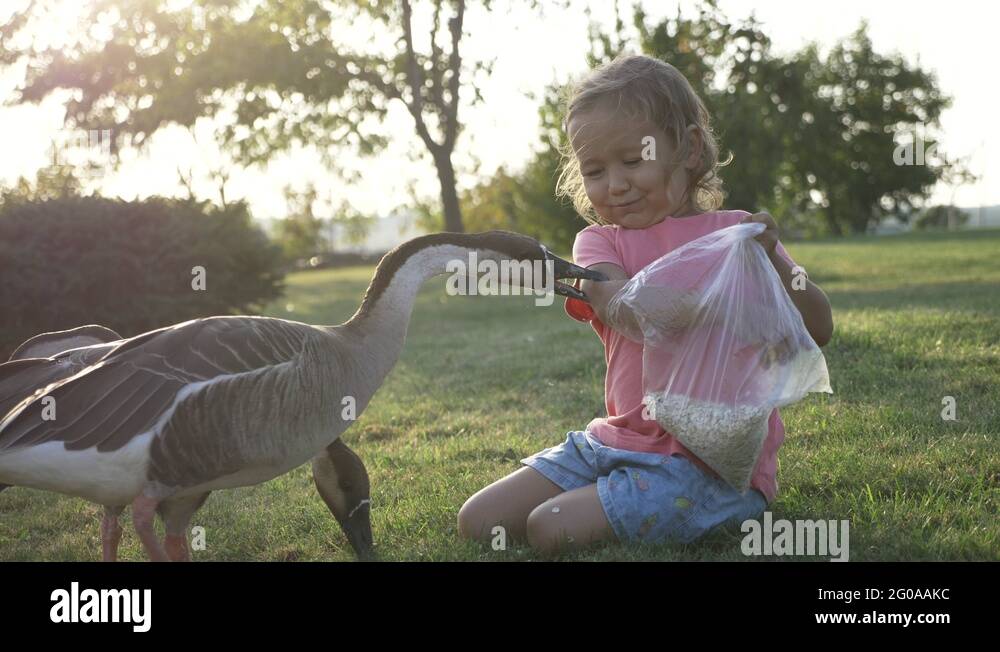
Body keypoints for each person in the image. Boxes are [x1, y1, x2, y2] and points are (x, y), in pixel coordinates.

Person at [458, 53, 834, 554]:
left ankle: (734, 503)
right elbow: (624, 305)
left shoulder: (736, 234)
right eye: (594, 170)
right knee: (479, 519)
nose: (614, 183)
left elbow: (818, 327)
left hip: (706, 462)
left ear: (690, 148)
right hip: (615, 441)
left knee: (549, 527)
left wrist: (777, 267)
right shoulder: (599, 243)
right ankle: (613, 492)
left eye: (633, 161)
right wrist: (719, 299)